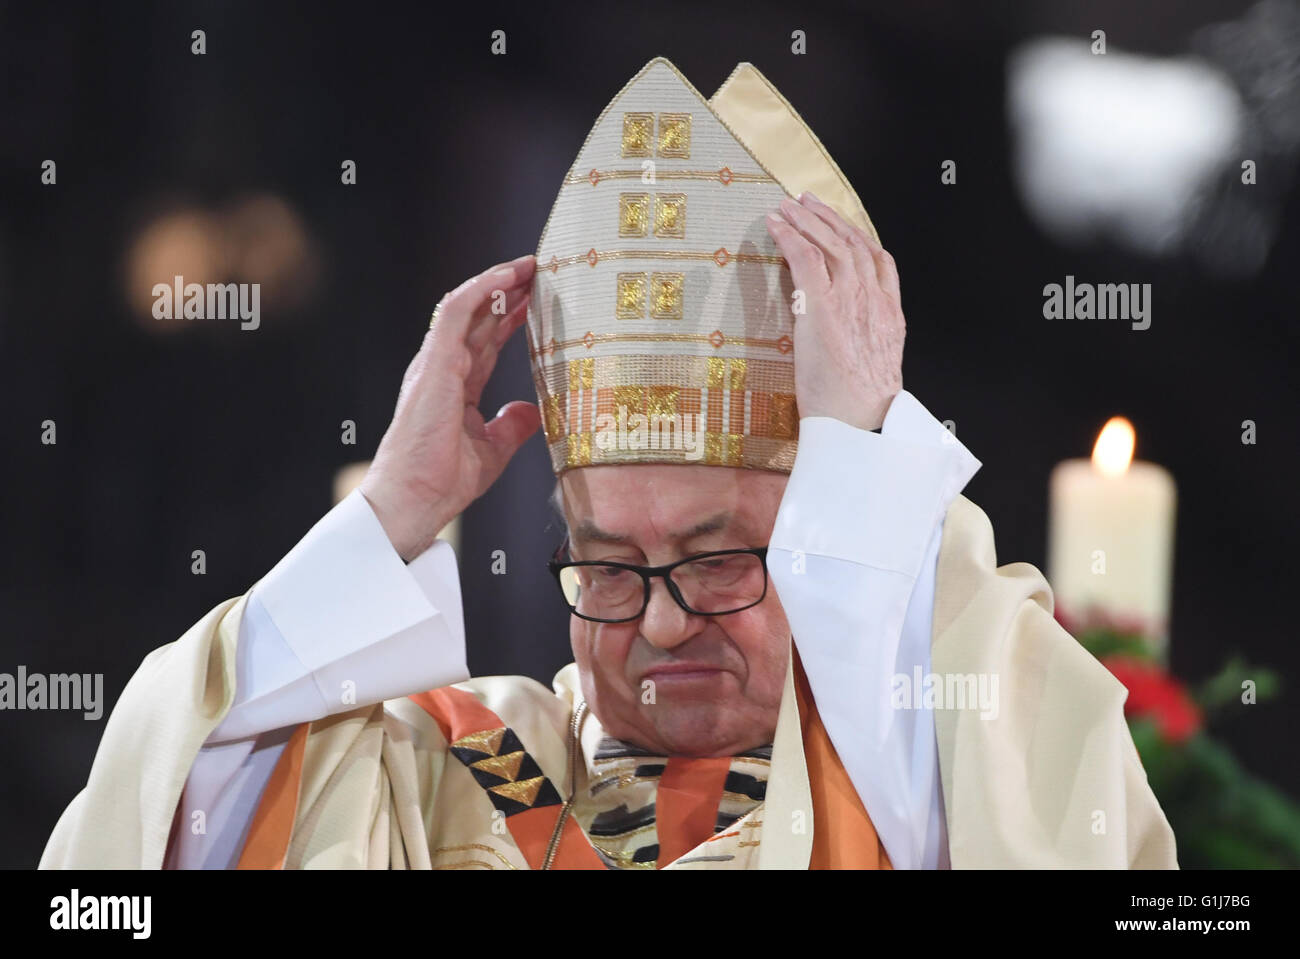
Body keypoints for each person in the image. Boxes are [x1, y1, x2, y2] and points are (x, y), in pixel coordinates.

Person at [40, 58, 1177, 870]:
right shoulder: (444, 770)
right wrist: (395, 513)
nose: (665, 623)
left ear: (837, 541)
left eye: (718, 558)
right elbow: (150, 828)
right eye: (609, 567)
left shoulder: (944, 761)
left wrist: (863, 446)